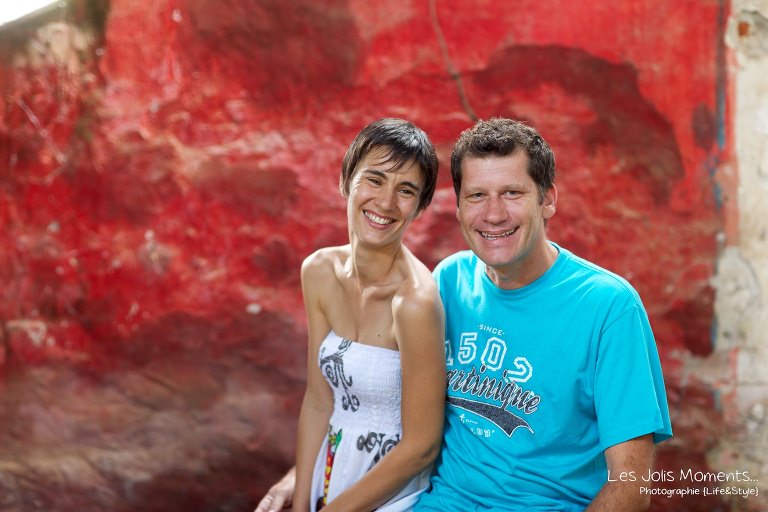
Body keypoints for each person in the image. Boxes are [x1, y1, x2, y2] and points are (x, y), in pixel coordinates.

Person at [256, 118, 672, 512]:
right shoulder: (449, 282)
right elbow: (374, 393)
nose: (493, 214)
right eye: (476, 196)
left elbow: (632, 485)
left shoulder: (608, 307)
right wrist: (303, 476)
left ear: (547, 200)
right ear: (457, 208)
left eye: (512, 193)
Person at [290, 118, 446, 512]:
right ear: (347, 181)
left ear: (420, 207)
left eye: (406, 190)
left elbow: (421, 447)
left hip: (393, 492)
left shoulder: (415, 301)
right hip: (331, 472)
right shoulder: (319, 271)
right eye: (374, 180)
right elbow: (318, 401)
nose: (386, 202)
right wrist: (302, 502)